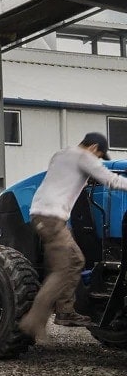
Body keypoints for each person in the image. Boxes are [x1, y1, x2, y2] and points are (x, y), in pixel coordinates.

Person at [17, 132, 127, 341]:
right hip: (51, 219)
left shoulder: (62, 155)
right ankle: (36, 320)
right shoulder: (83, 157)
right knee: (64, 268)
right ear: (94, 148)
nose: (98, 160)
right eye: (100, 156)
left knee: (75, 260)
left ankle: (64, 311)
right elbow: (109, 179)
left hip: (45, 216)